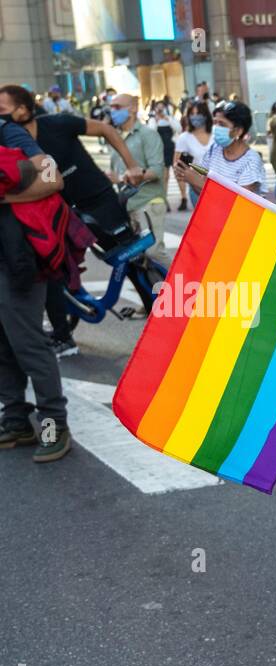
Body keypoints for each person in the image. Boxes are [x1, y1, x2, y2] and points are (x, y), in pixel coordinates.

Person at [3, 84, 143, 359]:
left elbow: (105, 129)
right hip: (65, 213)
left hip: (99, 199)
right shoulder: (10, 141)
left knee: (131, 258)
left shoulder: (57, 123)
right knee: (55, 271)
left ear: (22, 110)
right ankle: (64, 337)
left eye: (2, 110)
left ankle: (159, 310)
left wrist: (131, 165)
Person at [0, 103, 71, 462]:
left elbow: (52, 178)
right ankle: (16, 420)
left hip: (16, 259)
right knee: (2, 346)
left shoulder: (7, 132)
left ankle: (53, 424)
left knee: (28, 343)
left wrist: (4, 195)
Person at [106, 93, 168, 265]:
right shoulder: (115, 137)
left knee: (153, 252)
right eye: (111, 107)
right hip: (129, 205)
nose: (113, 111)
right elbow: (116, 173)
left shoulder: (148, 134)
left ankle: (187, 288)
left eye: (117, 107)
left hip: (149, 202)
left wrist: (125, 177)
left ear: (133, 108)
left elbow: (157, 170)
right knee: (139, 260)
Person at [174, 99, 265, 197]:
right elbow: (205, 194)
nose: (216, 128)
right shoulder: (214, 150)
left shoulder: (251, 161)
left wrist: (197, 182)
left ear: (238, 131)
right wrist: (189, 177)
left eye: (222, 124)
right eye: (215, 122)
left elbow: (239, 203)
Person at [174, 102, 212, 209]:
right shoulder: (184, 138)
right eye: (192, 114)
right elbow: (177, 164)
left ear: (205, 115)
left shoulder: (216, 134)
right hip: (197, 187)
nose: (196, 117)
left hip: (219, 185)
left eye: (199, 113)